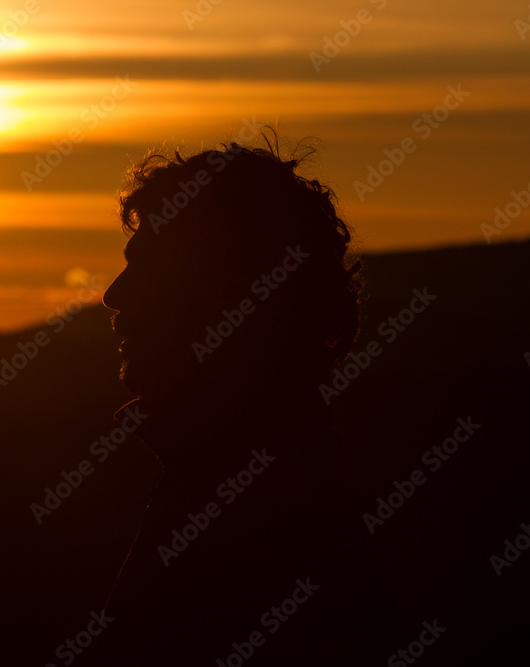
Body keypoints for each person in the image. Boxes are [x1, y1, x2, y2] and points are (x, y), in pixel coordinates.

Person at [92, 131, 399, 665]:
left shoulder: (267, 511)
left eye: (150, 269)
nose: (114, 295)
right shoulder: (230, 467)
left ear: (226, 292)